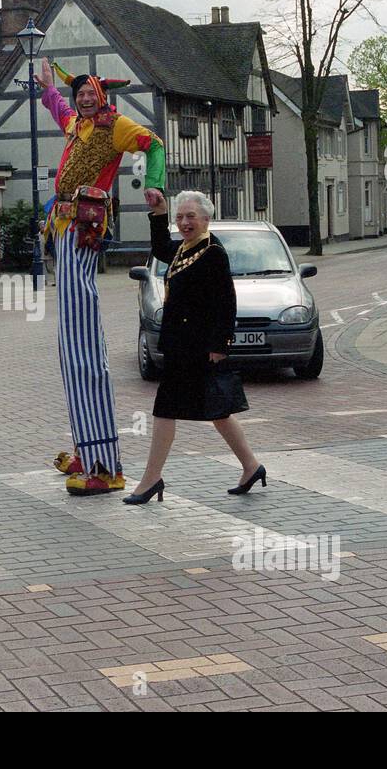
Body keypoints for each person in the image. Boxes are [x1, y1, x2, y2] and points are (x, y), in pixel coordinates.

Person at [36, 58, 167, 496]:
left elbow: (155, 144)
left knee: (81, 349)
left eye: (90, 93)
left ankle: (102, 464)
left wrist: (153, 183)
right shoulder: (77, 125)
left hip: (83, 229)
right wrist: (46, 88)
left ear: (103, 96)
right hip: (64, 227)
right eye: (80, 95)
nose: (84, 100)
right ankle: (86, 446)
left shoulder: (117, 127)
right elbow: (58, 107)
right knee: (69, 347)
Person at [124, 190, 264, 505]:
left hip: (198, 346)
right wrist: (158, 213)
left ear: (205, 219)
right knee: (218, 411)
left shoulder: (213, 251)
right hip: (180, 345)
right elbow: (161, 247)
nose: (185, 223)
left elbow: (227, 301)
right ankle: (251, 466)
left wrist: (220, 344)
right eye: (180, 217)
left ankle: (151, 479)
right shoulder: (183, 249)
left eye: (191, 217)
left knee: (166, 408)